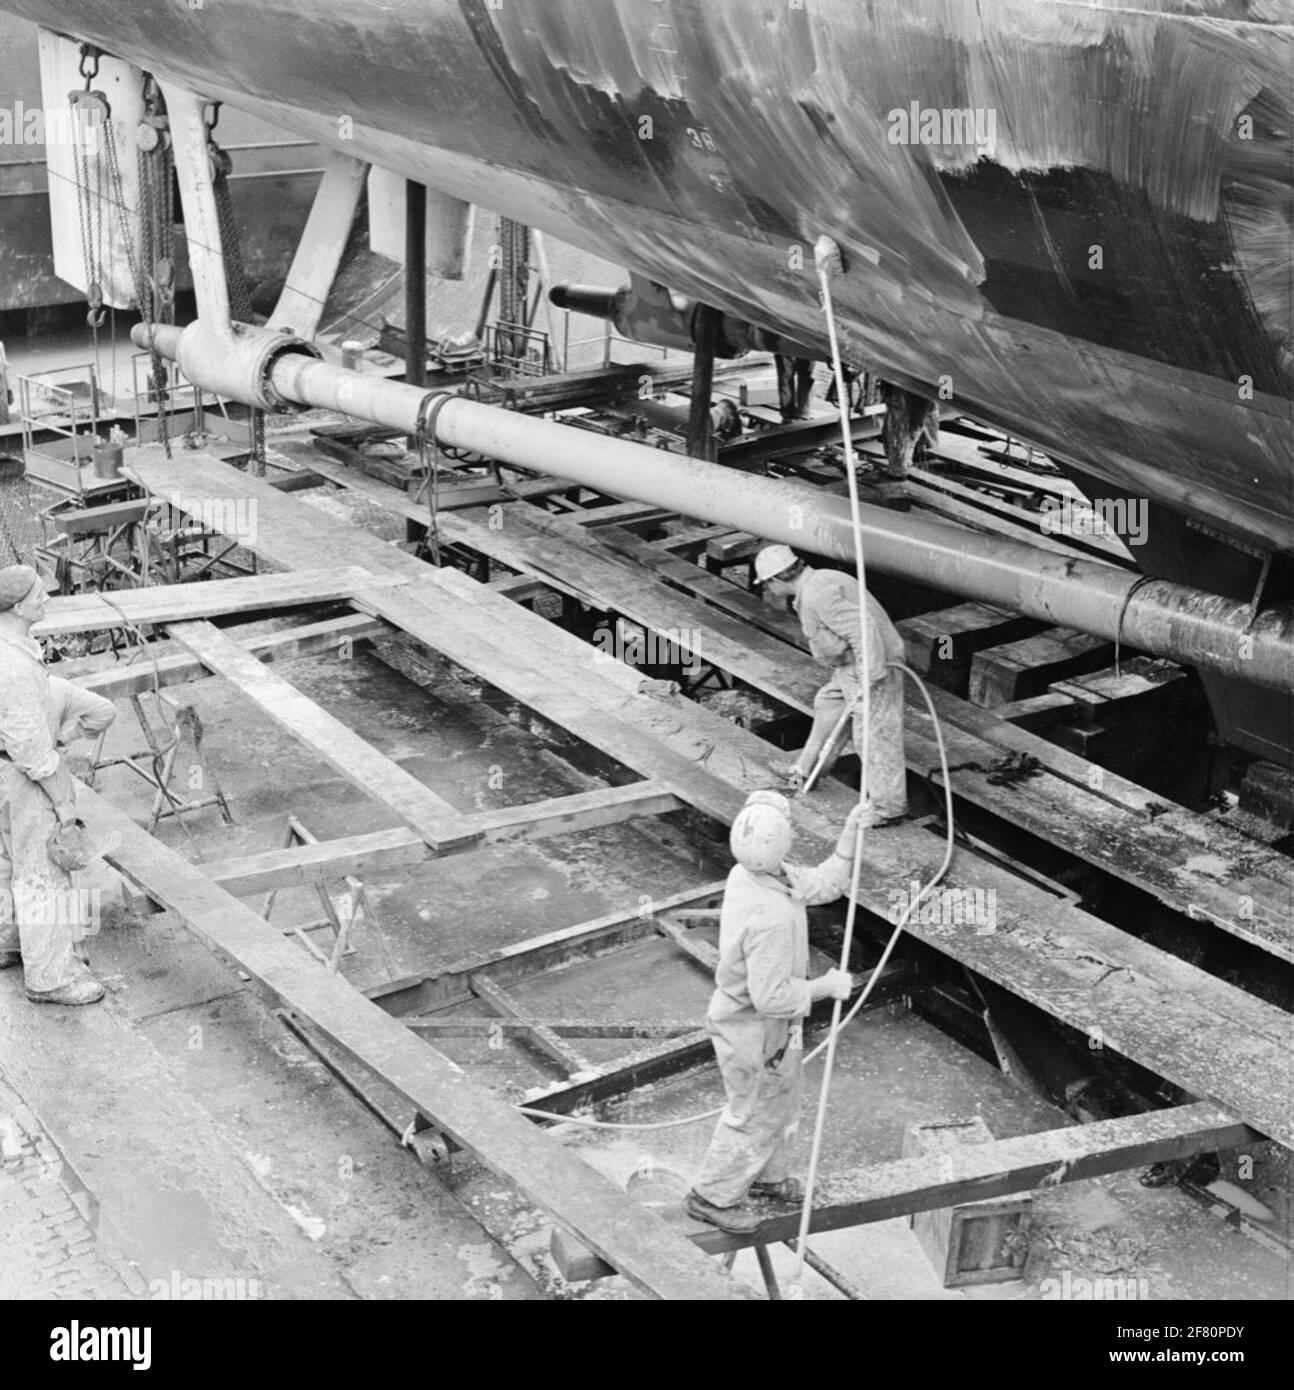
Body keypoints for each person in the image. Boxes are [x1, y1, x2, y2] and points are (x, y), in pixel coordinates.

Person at [687, 791, 858, 1234]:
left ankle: (767, 1178)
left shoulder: (751, 872)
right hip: (754, 1027)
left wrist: (850, 836)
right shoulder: (773, 918)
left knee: (782, 1097)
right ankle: (712, 1196)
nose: (795, 832)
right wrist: (827, 986)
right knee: (756, 1109)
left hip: (779, 1028)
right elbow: (771, 998)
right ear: (777, 845)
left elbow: (823, 884)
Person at [0, 564, 117, 1004]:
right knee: (42, 878)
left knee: (7, 864)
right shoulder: (12, 667)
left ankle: (8, 943)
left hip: (3, 772)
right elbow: (30, 749)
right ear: (17, 605)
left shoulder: (12, 647)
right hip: (21, 776)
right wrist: (64, 804)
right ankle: (51, 978)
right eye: (40, 593)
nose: (48, 597)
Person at [754, 545, 908, 823]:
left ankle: (888, 809)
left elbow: (863, 629)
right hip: (849, 666)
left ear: (775, 580)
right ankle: (804, 772)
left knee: (873, 735)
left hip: (873, 666)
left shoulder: (818, 594)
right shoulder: (821, 580)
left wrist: (869, 676)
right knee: (828, 706)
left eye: (766, 584)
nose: (768, 590)